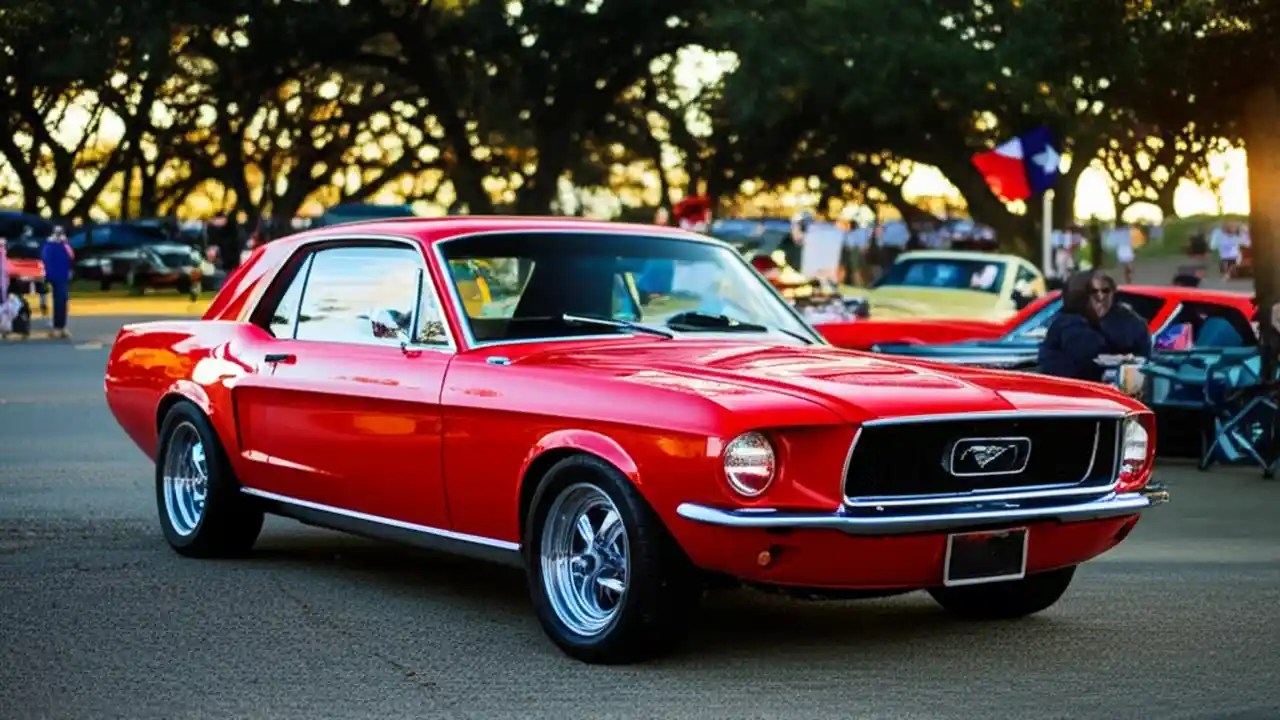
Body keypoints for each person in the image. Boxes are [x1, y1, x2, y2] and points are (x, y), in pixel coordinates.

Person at [1038, 270, 1151, 382]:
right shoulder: (1066, 323)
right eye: (1093, 292)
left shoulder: (1131, 322)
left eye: (1106, 291)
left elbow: (1144, 360)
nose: (1101, 297)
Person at [40, 225, 75, 339]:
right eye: (57, 232)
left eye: (60, 232)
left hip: (62, 276)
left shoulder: (64, 245)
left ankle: (61, 327)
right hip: (54, 276)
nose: (59, 235)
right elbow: (45, 261)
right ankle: (57, 328)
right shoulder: (49, 245)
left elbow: (71, 258)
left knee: (62, 301)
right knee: (59, 300)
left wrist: (70, 270)